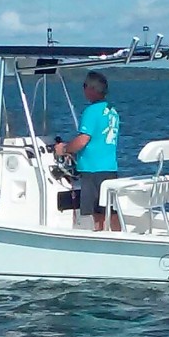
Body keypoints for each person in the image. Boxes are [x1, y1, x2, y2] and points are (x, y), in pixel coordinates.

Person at [55, 71, 121, 231]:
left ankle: (99, 236)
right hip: (110, 167)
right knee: (110, 211)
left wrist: (63, 149)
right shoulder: (112, 111)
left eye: (84, 86)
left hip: (93, 170)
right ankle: (118, 237)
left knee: (96, 212)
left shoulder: (92, 111)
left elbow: (83, 139)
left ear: (91, 89)